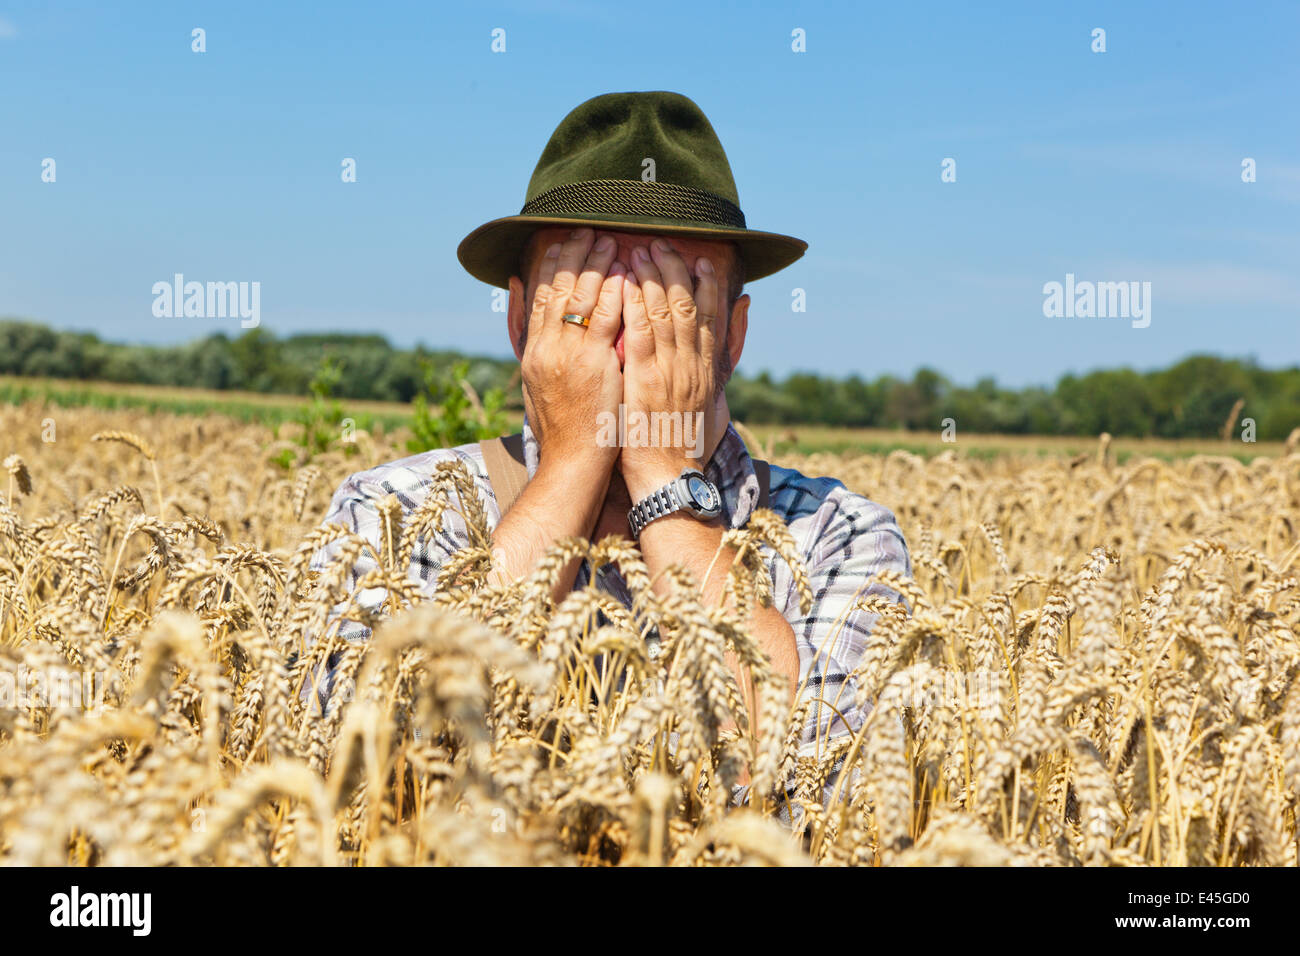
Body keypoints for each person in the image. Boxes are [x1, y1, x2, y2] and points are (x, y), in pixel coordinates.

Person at [309, 91, 911, 803]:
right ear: (518, 321)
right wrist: (569, 467)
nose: (624, 335)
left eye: (669, 299)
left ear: (735, 333)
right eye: (588, 301)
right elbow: (371, 785)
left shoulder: (838, 536)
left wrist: (665, 472)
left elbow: (813, 795)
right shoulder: (389, 512)